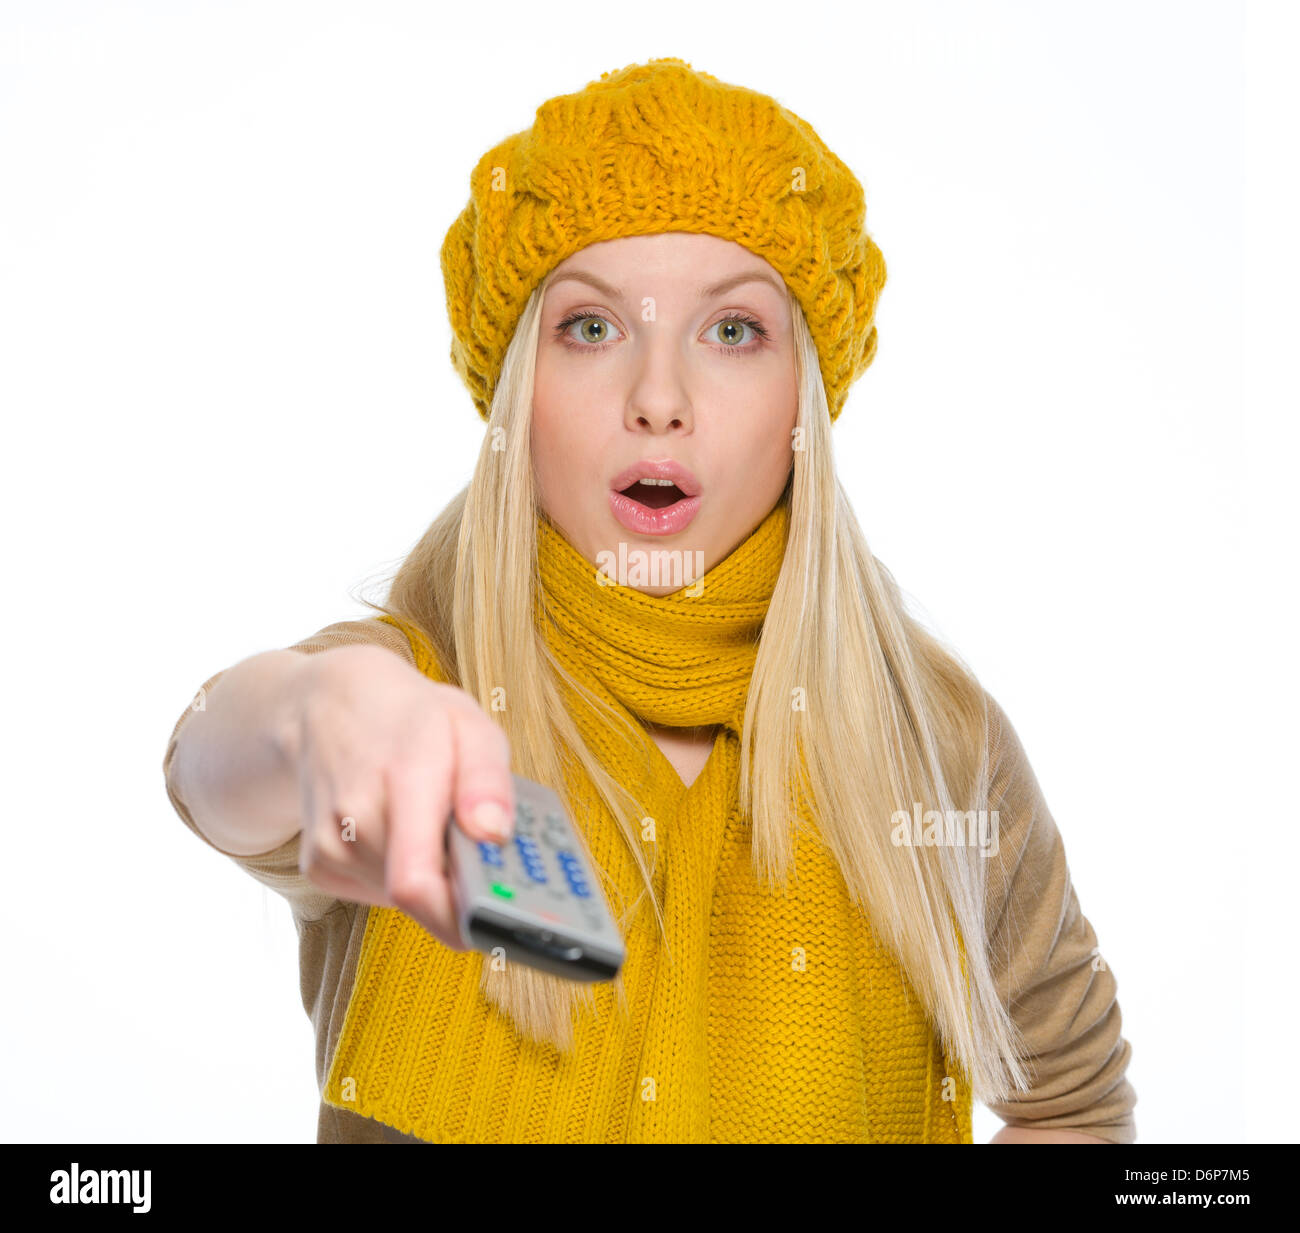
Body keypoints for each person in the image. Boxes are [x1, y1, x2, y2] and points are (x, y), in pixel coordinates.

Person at [162, 57, 1137, 1144]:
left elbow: (1074, 1105)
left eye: (731, 332)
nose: (658, 400)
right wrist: (313, 717)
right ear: (517, 394)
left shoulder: (937, 741)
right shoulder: (415, 683)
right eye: (590, 328)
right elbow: (209, 762)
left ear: (802, 401)